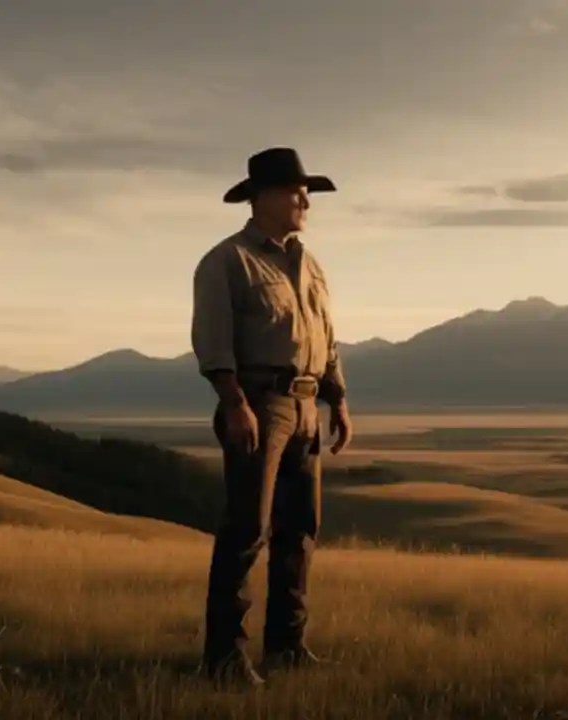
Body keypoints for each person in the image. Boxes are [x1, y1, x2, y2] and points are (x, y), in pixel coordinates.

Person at [190, 147, 353, 686]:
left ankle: (287, 646)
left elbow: (326, 338)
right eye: (296, 192)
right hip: (259, 404)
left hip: (307, 406)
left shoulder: (311, 265)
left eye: (307, 193)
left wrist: (338, 398)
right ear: (261, 198)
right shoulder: (227, 261)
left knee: (300, 530)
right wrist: (234, 404)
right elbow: (213, 341)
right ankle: (224, 659)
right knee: (247, 529)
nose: (306, 202)